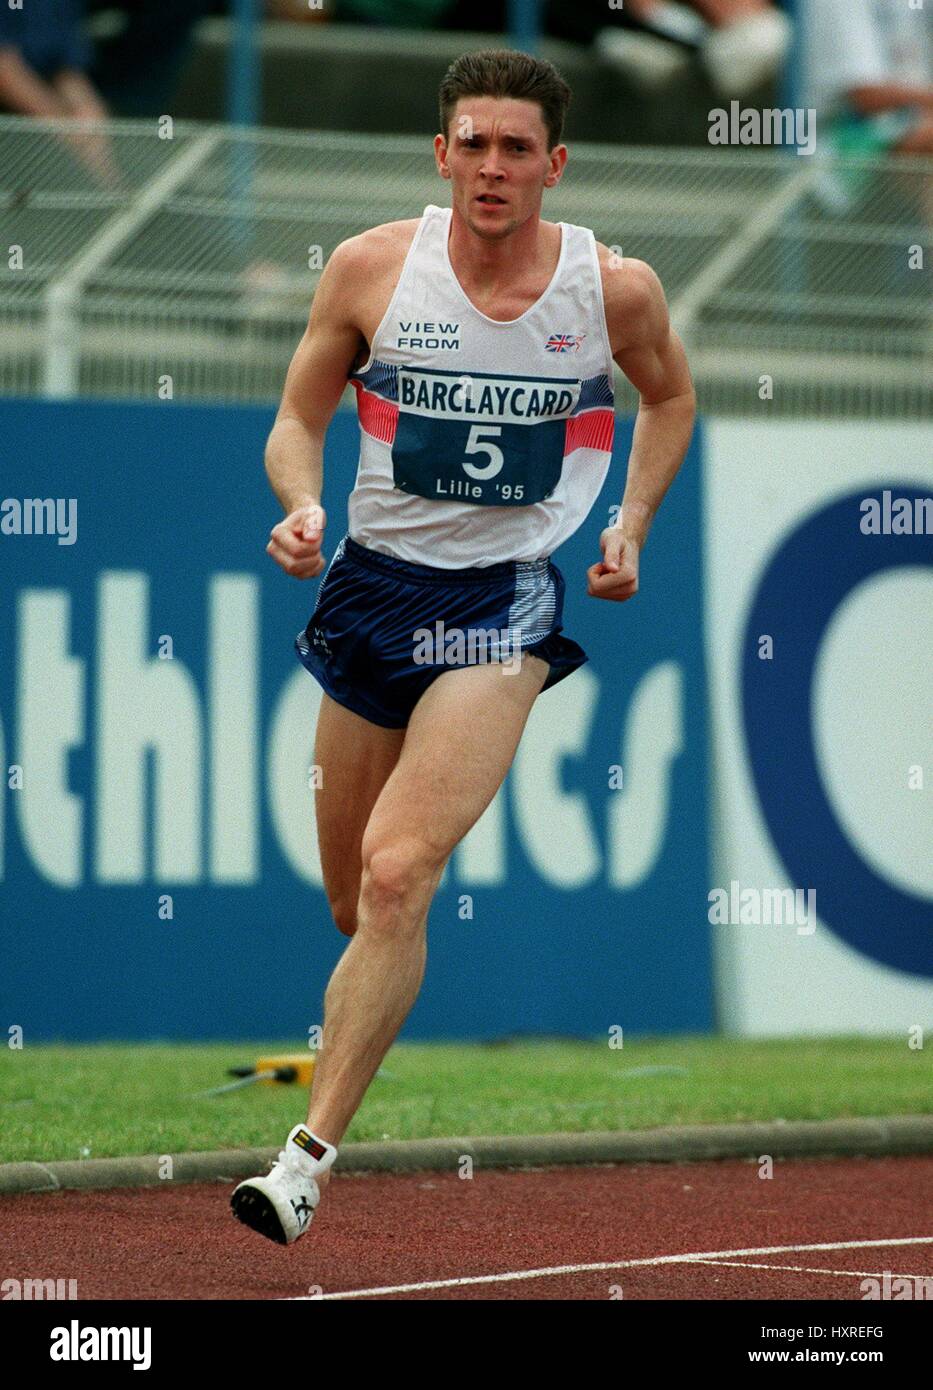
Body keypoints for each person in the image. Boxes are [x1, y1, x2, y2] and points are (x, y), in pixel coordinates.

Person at [230, 48, 696, 1246]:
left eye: (517, 147)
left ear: (556, 162)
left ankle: (303, 1160)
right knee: (353, 900)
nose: (495, 166)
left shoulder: (613, 289)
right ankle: (370, 996)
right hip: (372, 590)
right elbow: (298, 419)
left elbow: (670, 396)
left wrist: (630, 520)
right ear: (442, 155)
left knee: (398, 872)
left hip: (501, 606)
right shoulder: (374, 268)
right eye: (474, 144)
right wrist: (299, 502)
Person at [0, 0, 118, 185]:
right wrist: (63, 123)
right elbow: (4, 69)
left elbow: (67, 71)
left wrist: (89, 117)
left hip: (43, 137)